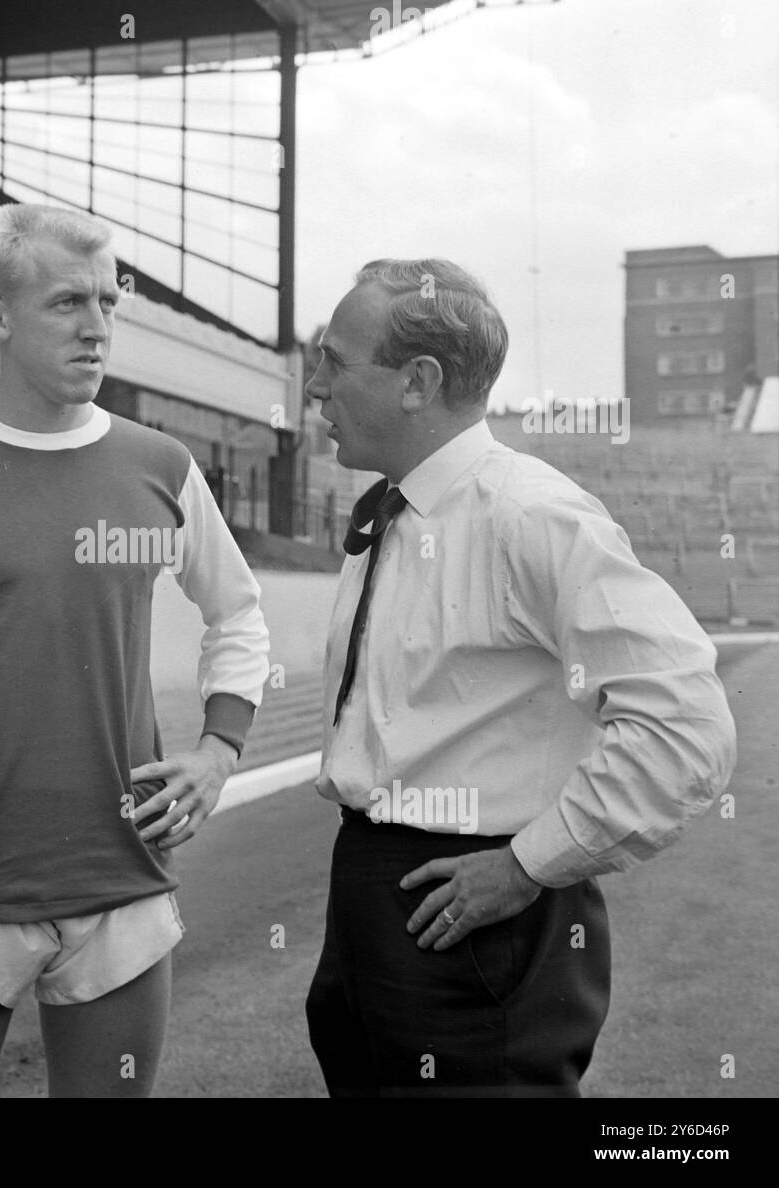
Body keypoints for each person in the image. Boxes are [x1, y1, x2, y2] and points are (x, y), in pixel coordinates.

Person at [303, 258, 737, 1097]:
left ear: (417, 382)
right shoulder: (399, 509)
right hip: (374, 885)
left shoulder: (529, 516)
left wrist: (529, 864)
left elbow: (684, 724)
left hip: (475, 904)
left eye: (334, 360)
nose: (315, 386)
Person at [0, 203, 270, 1097]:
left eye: (109, 303)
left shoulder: (160, 467)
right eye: (66, 305)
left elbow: (239, 616)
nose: (97, 329)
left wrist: (217, 751)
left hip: (120, 877)